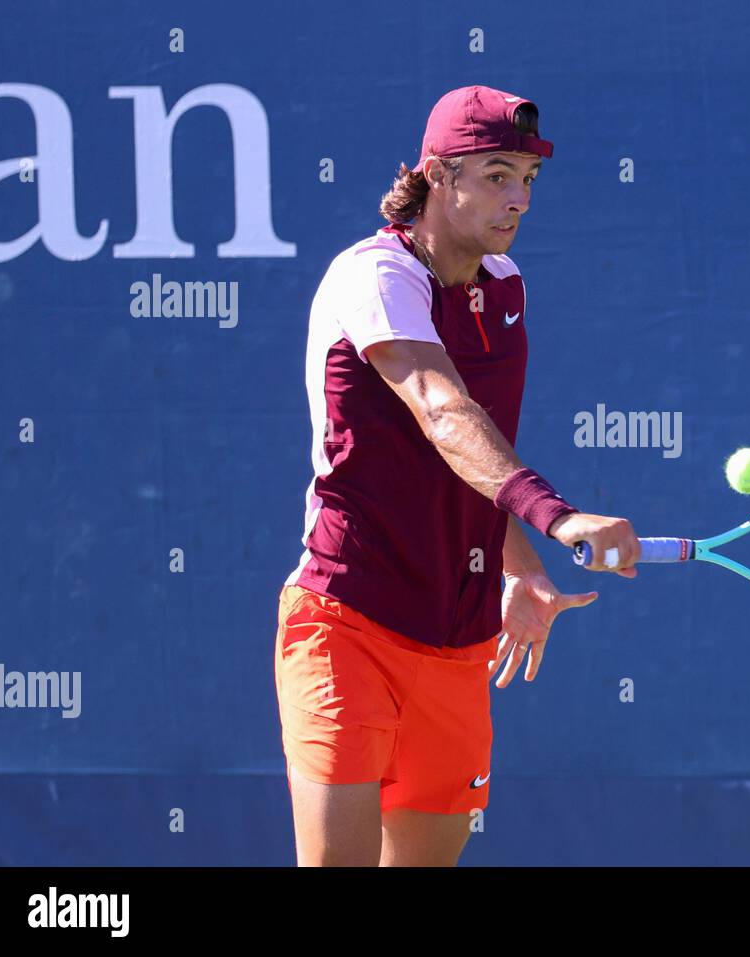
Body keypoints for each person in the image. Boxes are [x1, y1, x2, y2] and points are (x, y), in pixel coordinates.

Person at [273, 85, 640, 866]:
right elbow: (442, 411)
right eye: (498, 175)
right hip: (346, 619)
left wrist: (525, 569)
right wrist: (558, 516)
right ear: (438, 177)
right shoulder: (374, 274)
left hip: (457, 640)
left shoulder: (505, 286)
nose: (520, 200)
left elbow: (464, 462)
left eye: (529, 181)